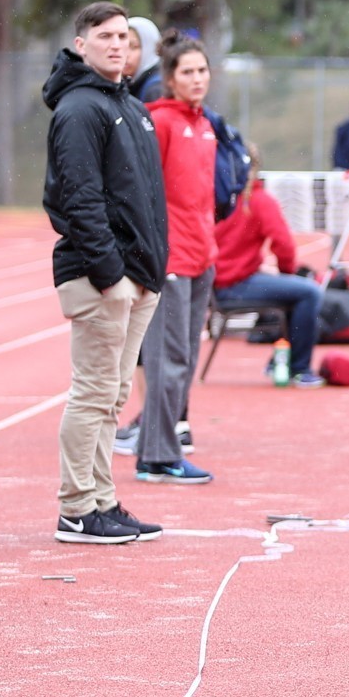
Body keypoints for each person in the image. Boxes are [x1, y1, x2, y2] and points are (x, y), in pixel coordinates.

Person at [43, 1, 168, 545]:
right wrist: (110, 273)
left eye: (124, 36)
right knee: (93, 392)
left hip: (137, 276)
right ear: (81, 45)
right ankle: (76, 508)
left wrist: (148, 271)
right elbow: (79, 197)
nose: (118, 44)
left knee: (112, 397)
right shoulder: (79, 109)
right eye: (105, 36)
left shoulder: (131, 106)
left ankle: (101, 500)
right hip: (102, 278)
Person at [128, 34, 220, 486]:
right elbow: (145, 190)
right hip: (171, 257)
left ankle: (157, 450)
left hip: (203, 255)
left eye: (202, 71)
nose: (197, 79)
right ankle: (160, 455)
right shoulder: (159, 121)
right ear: (169, 78)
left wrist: (210, 251)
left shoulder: (205, 125)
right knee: (169, 359)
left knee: (186, 357)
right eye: (187, 72)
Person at [213, 144, 327, 388]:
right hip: (236, 284)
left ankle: (280, 360)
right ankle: (299, 368)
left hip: (213, 284)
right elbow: (284, 245)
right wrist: (287, 273)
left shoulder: (216, 197)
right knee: (308, 291)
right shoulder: (258, 201)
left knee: (292, 292)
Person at [125, 16, 163, 101]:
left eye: (134, 47)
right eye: (123, 46)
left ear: (150, 48)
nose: (125, 54)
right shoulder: (134, 82)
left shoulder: (155, 89)